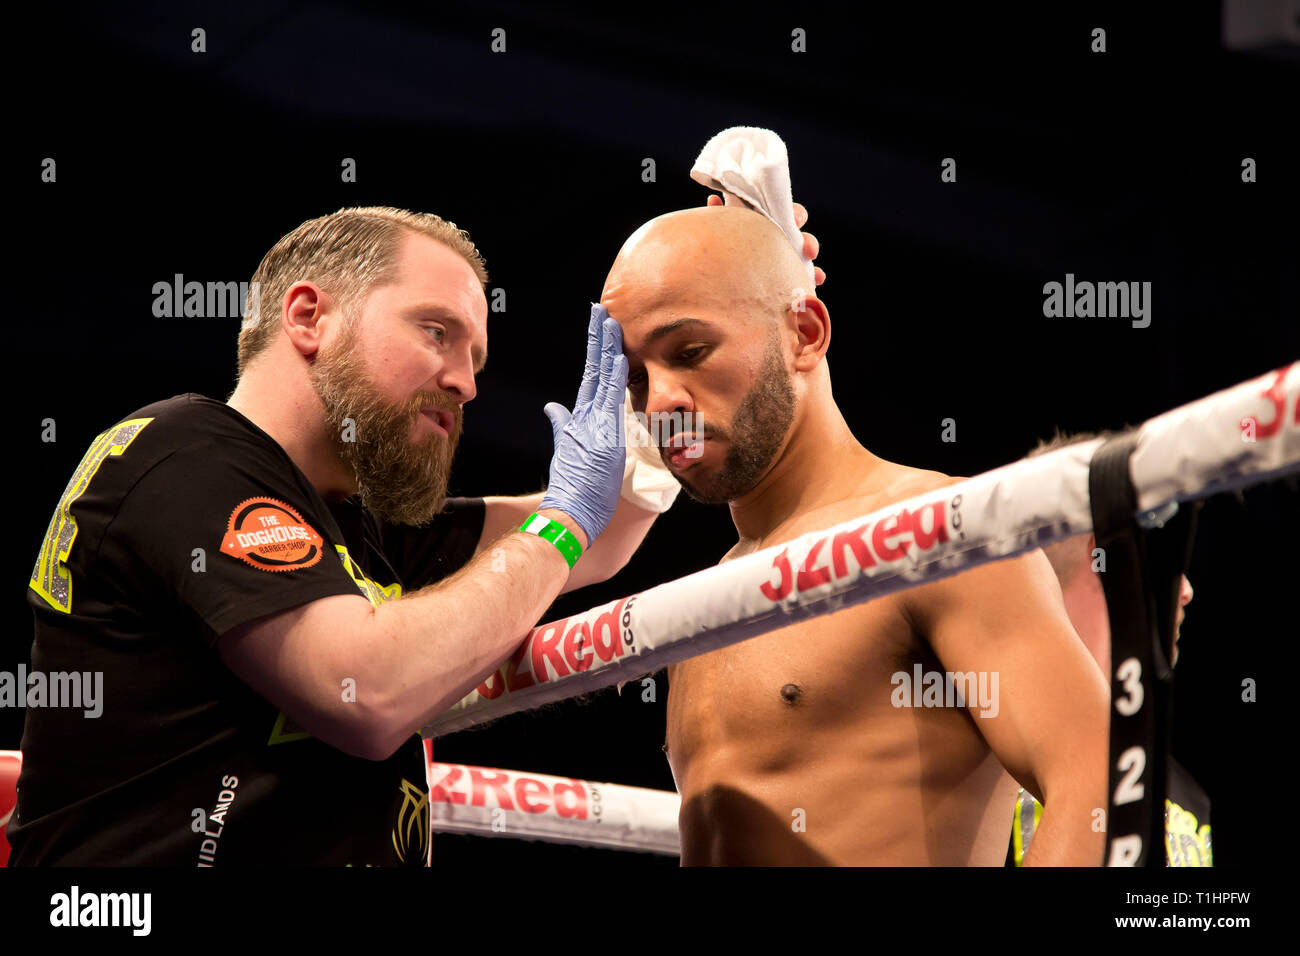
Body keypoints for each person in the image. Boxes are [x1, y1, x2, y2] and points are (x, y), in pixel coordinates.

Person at [11, 206, 647, 865]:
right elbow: (366, 693)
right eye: (437, 332)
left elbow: (604, 530)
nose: (466, 382)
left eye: (475, 357)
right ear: (309, 317)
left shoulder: (350, 524)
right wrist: (564, 524)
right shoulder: (184, 457)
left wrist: (692, 364)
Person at [600, 203, 1109, 865]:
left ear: (804, 334)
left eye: (690, 351)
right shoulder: (698, 605)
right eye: (636, 377)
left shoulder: (935, 530)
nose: (660, 401)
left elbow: (1095, 774)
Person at [1011, 431, 1211, 867]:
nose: (1187, 590)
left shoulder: (1185, 796)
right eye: (1164, 555)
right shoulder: (980, 766)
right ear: (1109, 554)